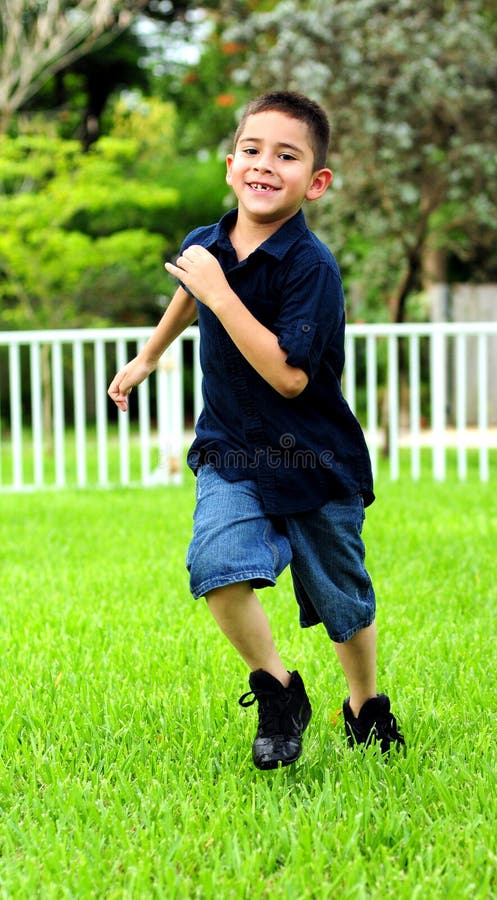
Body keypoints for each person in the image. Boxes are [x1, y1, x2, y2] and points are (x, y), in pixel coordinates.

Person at [108, 91, 404, 770]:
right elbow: (189, 290)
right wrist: (148, 356)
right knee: (215, 564)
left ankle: (365, 707)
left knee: (341, 598)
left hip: (312, 459)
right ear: (230, 164)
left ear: (316, 182)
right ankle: (277, 689)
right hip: (231, 449)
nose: (264, 164)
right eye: (252, 149)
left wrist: (221, 294)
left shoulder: (312, 268)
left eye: (286, 156)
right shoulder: (205, 247)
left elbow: (290, 378)